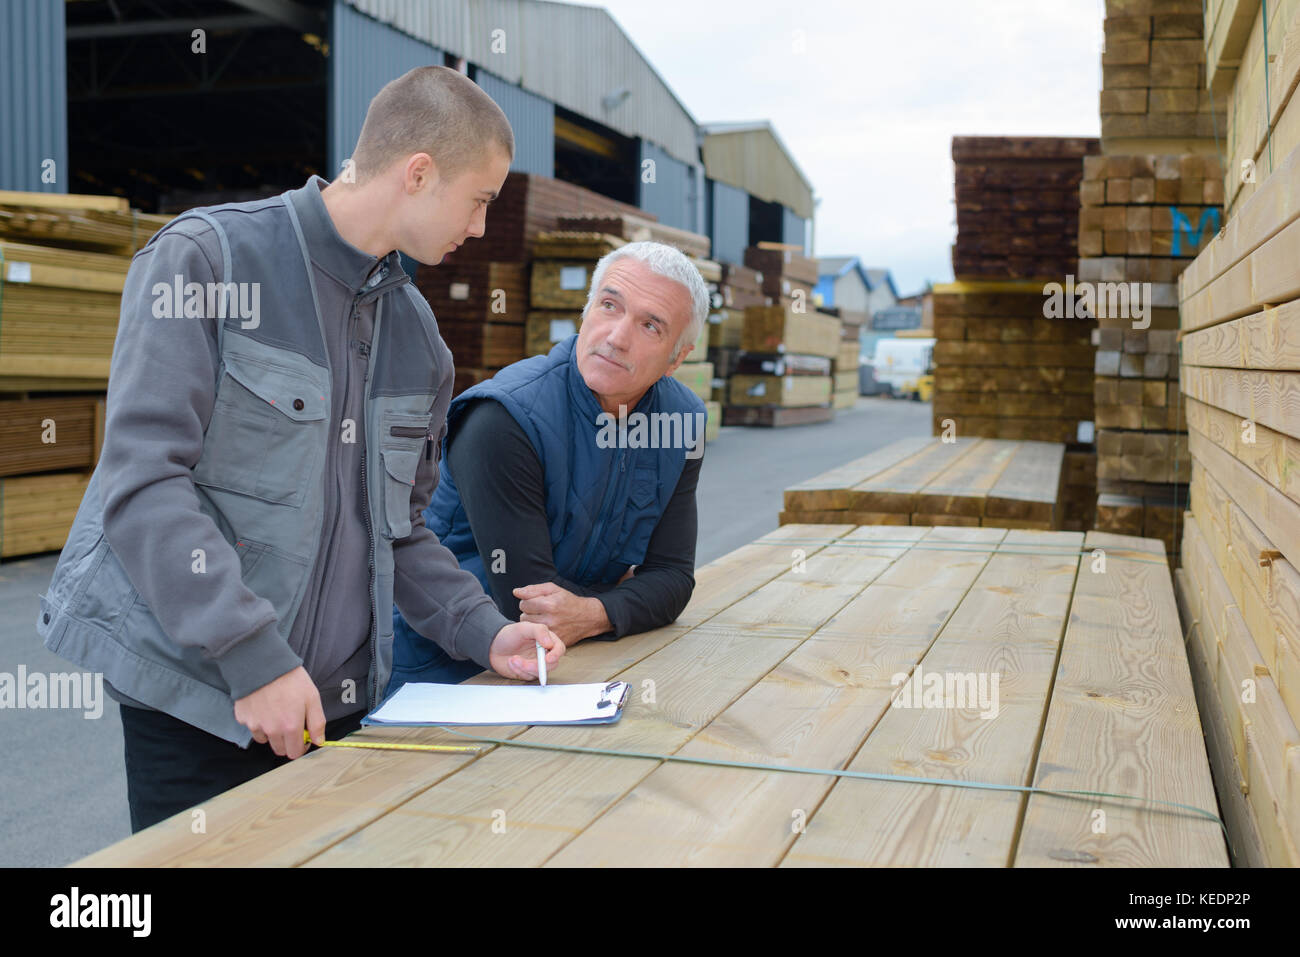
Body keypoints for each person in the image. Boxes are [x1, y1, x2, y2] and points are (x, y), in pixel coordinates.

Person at [36, 66, 562, 834]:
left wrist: (488, 630)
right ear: (418, 172)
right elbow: (143, 482)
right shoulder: (208, 262)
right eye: (480, 200)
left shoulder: (421, 342)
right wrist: (253, 655)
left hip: (335, 709)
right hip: (202, 702)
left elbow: (402, 531)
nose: (481, 227)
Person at [388, 241, 709, 690]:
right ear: (585, 309)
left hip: (575, 666)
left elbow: (674, 578)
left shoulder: (681, 421)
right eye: (609, 305)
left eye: (650, 325)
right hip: (445, 672)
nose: (617, 337)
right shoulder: (503, 418)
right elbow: (527, 604)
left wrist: (595, 613)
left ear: (678, 357)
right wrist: (629, 595)